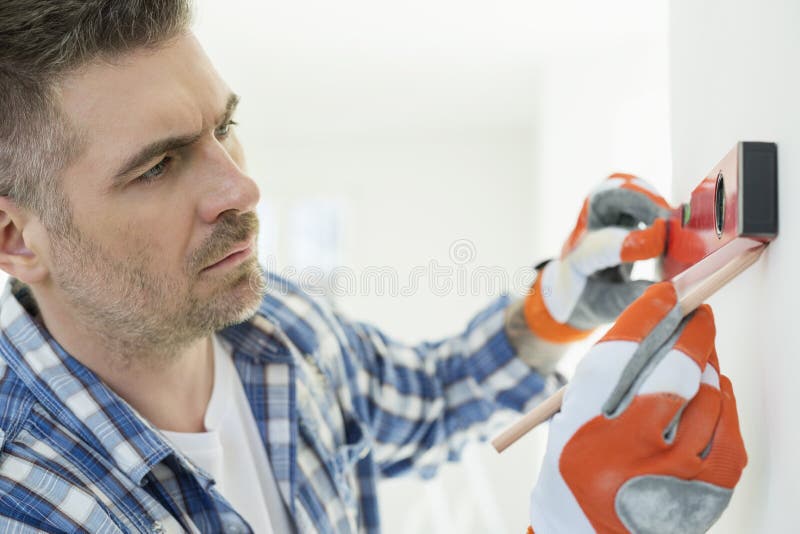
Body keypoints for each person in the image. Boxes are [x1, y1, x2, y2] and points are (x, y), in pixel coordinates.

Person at [0, 1, 746, 532]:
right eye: (158, 166)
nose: (241, 187)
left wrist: (555, 309)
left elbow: (429, 396)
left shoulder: (276, 325)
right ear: (15, 238)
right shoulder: (28, 501)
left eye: (224, 127)